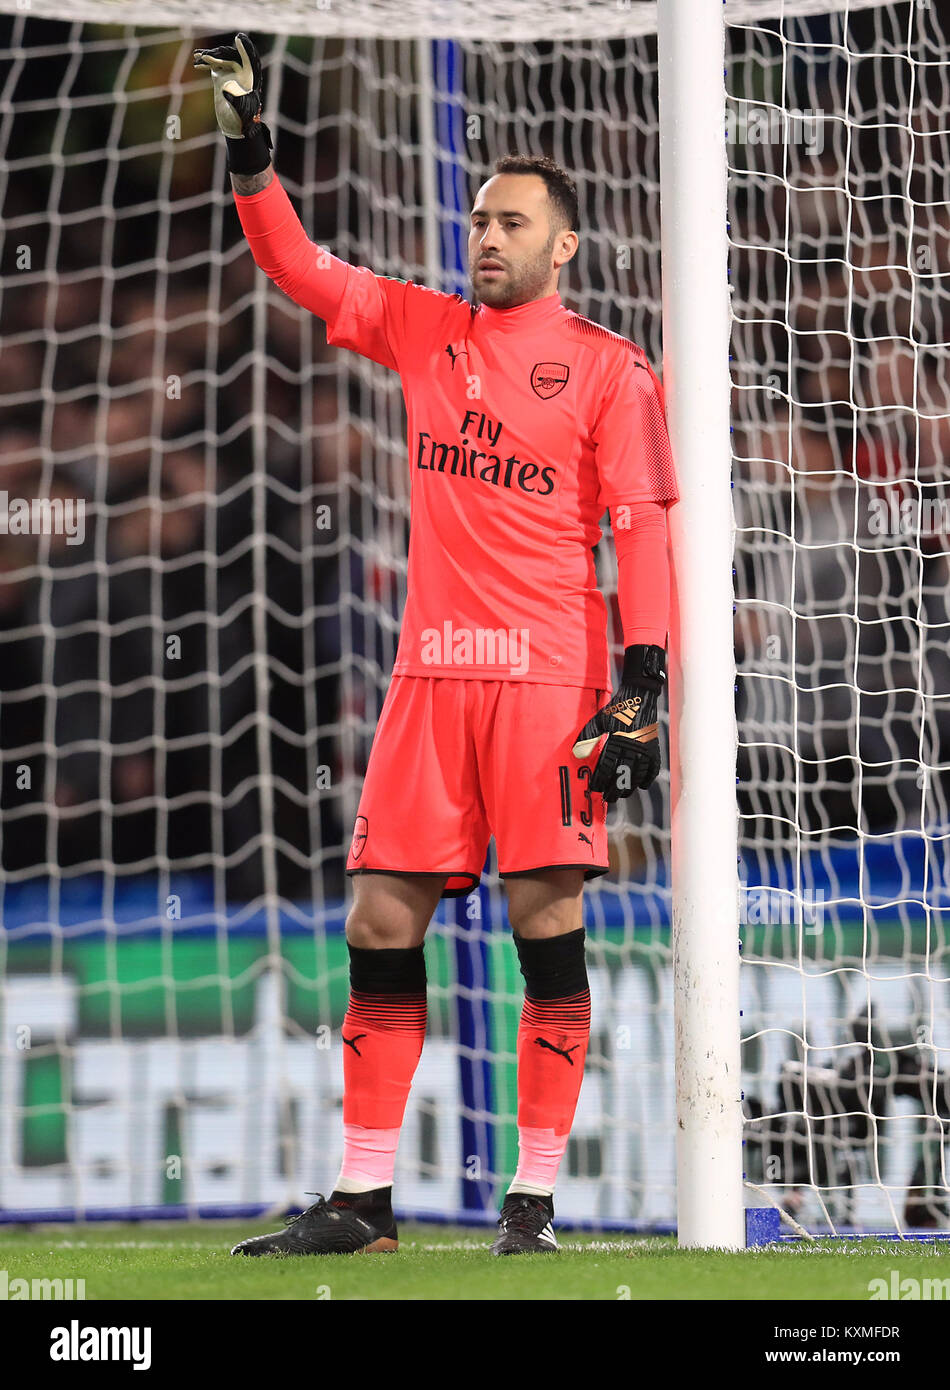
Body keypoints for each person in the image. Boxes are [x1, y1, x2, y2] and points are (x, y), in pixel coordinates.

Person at [194, 33, 677, 1256]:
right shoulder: (422, 329)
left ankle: (532, 1202)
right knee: (375, 918)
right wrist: (252, 151)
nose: (487, 234)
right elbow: (295, 264)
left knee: (545, 926)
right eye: (478, 218)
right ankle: (362, 1201)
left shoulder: (613, 374)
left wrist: (643, 686)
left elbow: (643, 532)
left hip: (544, 680)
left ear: (561, 245)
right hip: (426, 679)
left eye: (512, 221)